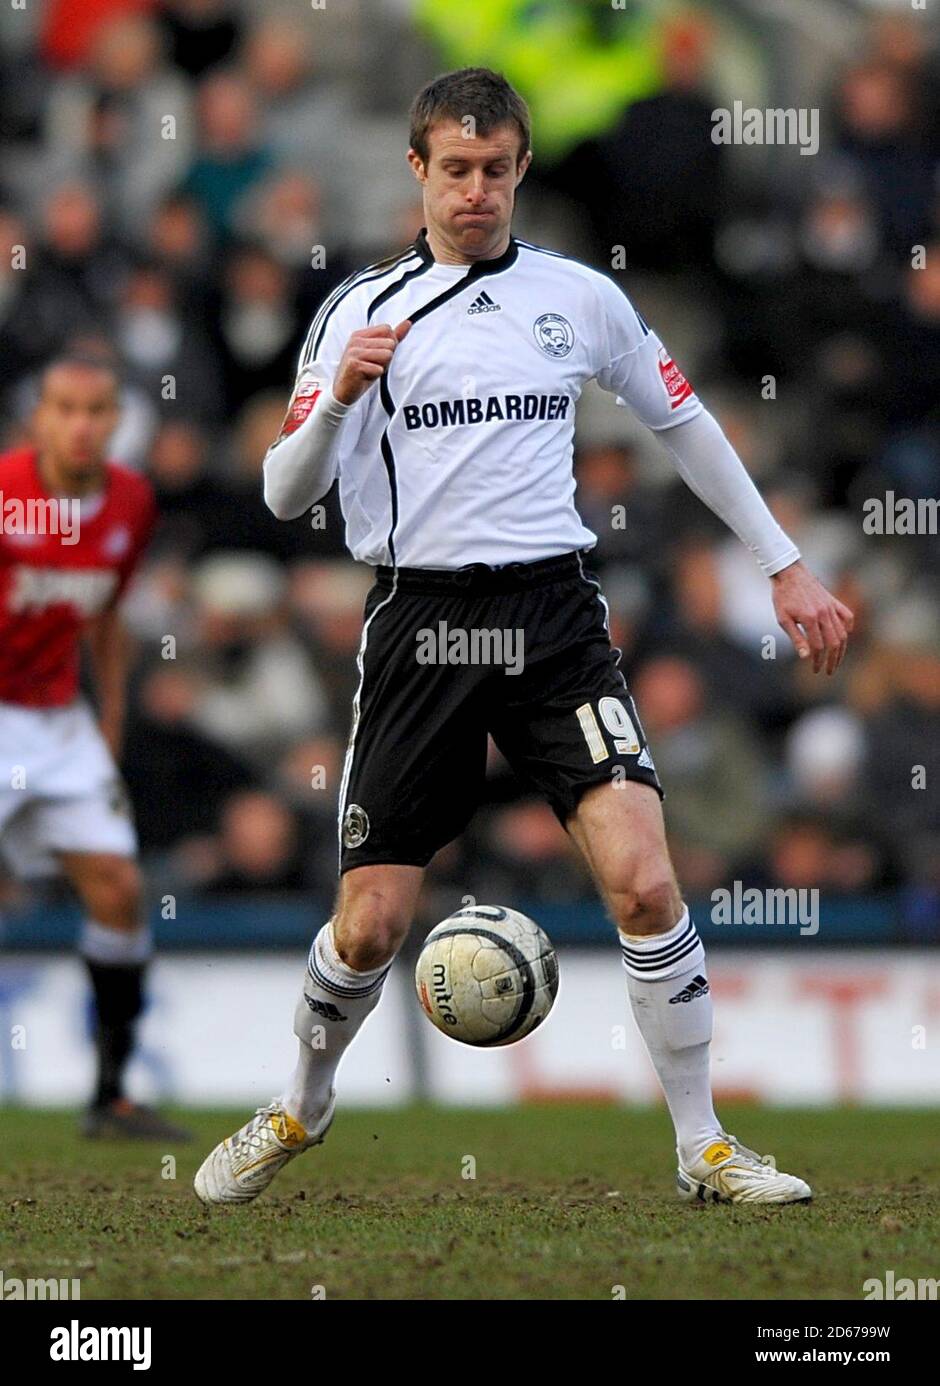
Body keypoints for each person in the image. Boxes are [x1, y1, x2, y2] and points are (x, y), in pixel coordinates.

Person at [195, 68, 853, 1207]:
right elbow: (280, 492)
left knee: (645, 882)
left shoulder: (576, 298)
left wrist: (784, 561)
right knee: (369, 924)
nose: (476, 191)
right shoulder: (359, 310)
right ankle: (301, 1101)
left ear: (521, 171)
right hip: (420, 620)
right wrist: (344, 398)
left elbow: (683, 420)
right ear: (417, 170)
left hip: (553, 616)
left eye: (496, 169)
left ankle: (702, 1146)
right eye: (455, 169)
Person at [0, 352, 188, 1141]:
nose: (81, 425)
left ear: (117, 422)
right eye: (65, 408)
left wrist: (108, 720)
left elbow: (105, 619)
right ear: (37, 418)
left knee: (117, 886)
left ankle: (110, 1095)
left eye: (97, 410)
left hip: (59, 719)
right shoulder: (6, 494)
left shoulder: (132, 502)